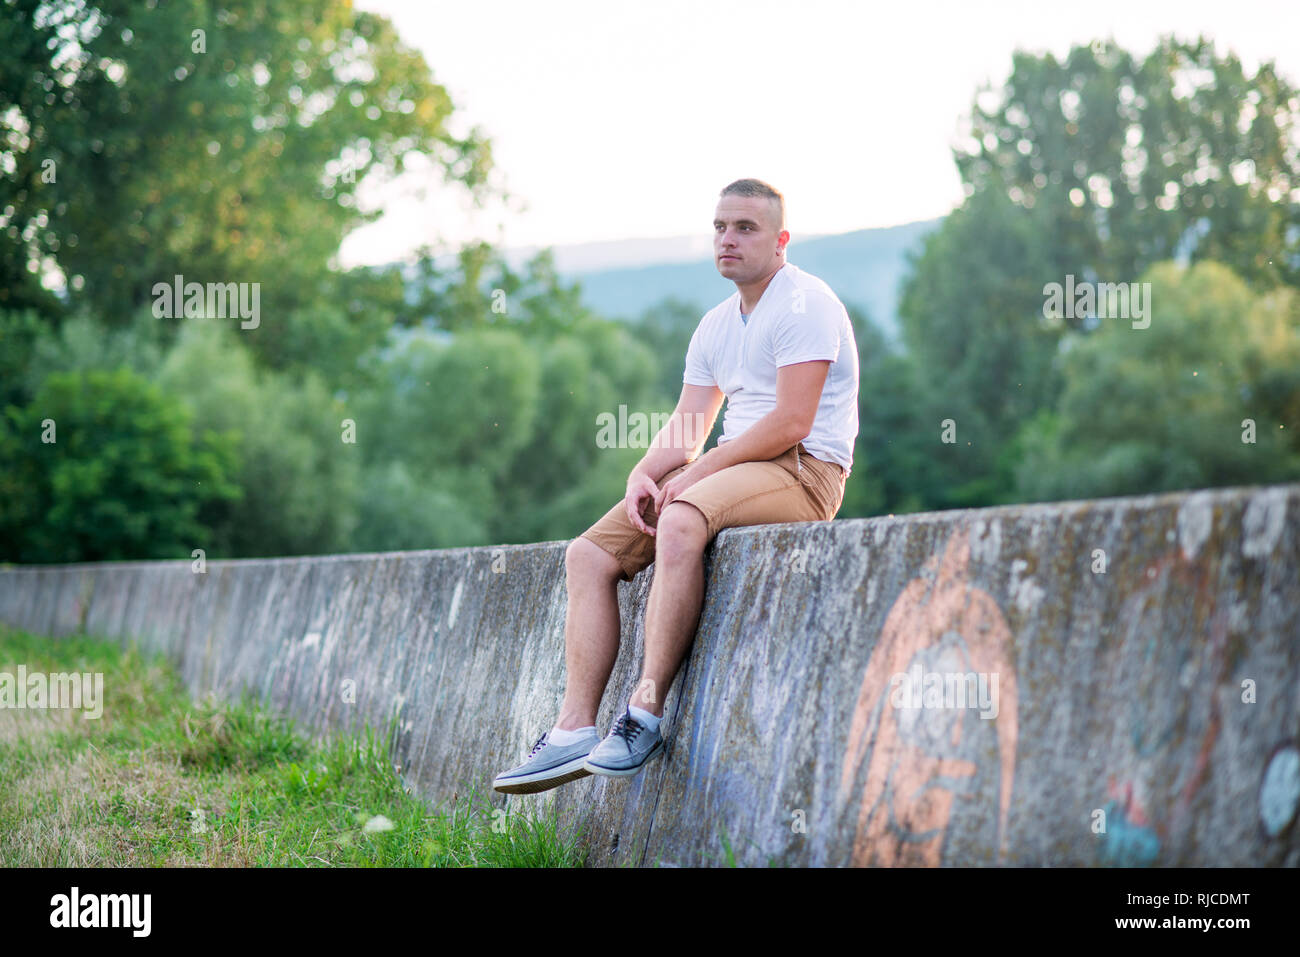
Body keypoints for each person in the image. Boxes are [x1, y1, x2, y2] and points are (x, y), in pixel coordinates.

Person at [493, 178, 859, 794]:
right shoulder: (717, 324)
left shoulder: (806, 304)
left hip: (804, 471)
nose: (728, 239)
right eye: (720, 227)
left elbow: (793, 420)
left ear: (781, 241)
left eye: (745, 228)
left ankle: (644, 712)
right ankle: (571, 731)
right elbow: (689, 426)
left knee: (683, 516)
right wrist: (644, 472)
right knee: (587, 555)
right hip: (735, 469)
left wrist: (699, 473)